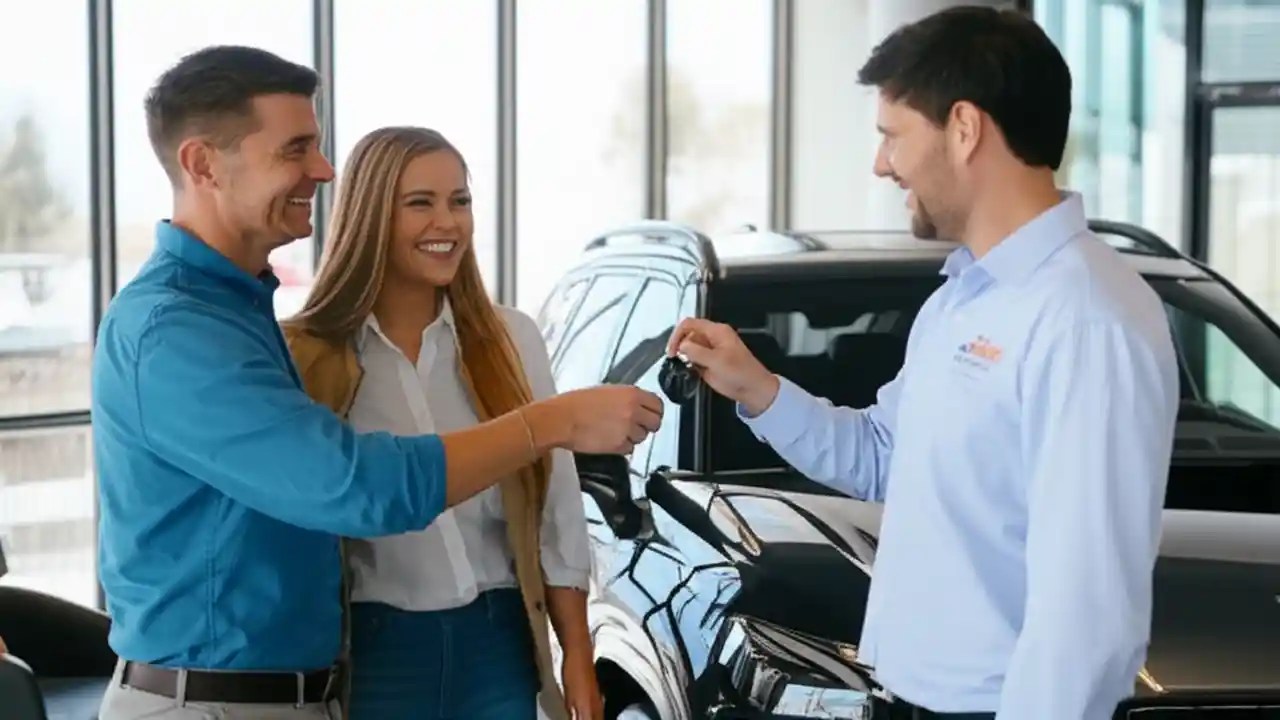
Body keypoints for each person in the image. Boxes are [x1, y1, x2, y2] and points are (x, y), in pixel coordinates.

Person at [92, 46, 661, 720]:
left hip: (311, 690)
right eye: (295, 149)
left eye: (459, 200)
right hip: (225, 701)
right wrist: (552, 422)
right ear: (202, 165)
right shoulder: (177, 332)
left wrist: (574, 654)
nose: (323, 170)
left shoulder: (240, 312)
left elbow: (548, 517)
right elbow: (359, 487)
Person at [667, 7, 1178, 720]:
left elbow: (1087, 616)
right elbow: (885, 457)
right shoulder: (959, 301)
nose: (881, 164)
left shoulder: (1087, 319)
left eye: (892, 135)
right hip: (910, 699)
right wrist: (759, 390)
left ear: (964, 128)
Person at [281, 126, 602, 720]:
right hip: (373, 653)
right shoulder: (306, 355)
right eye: (420, 203)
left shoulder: (511, 339)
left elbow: (558, 508)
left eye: (460, 201)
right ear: (370, 217)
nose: (447, 223)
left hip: (499, 646)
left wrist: (577, 656)